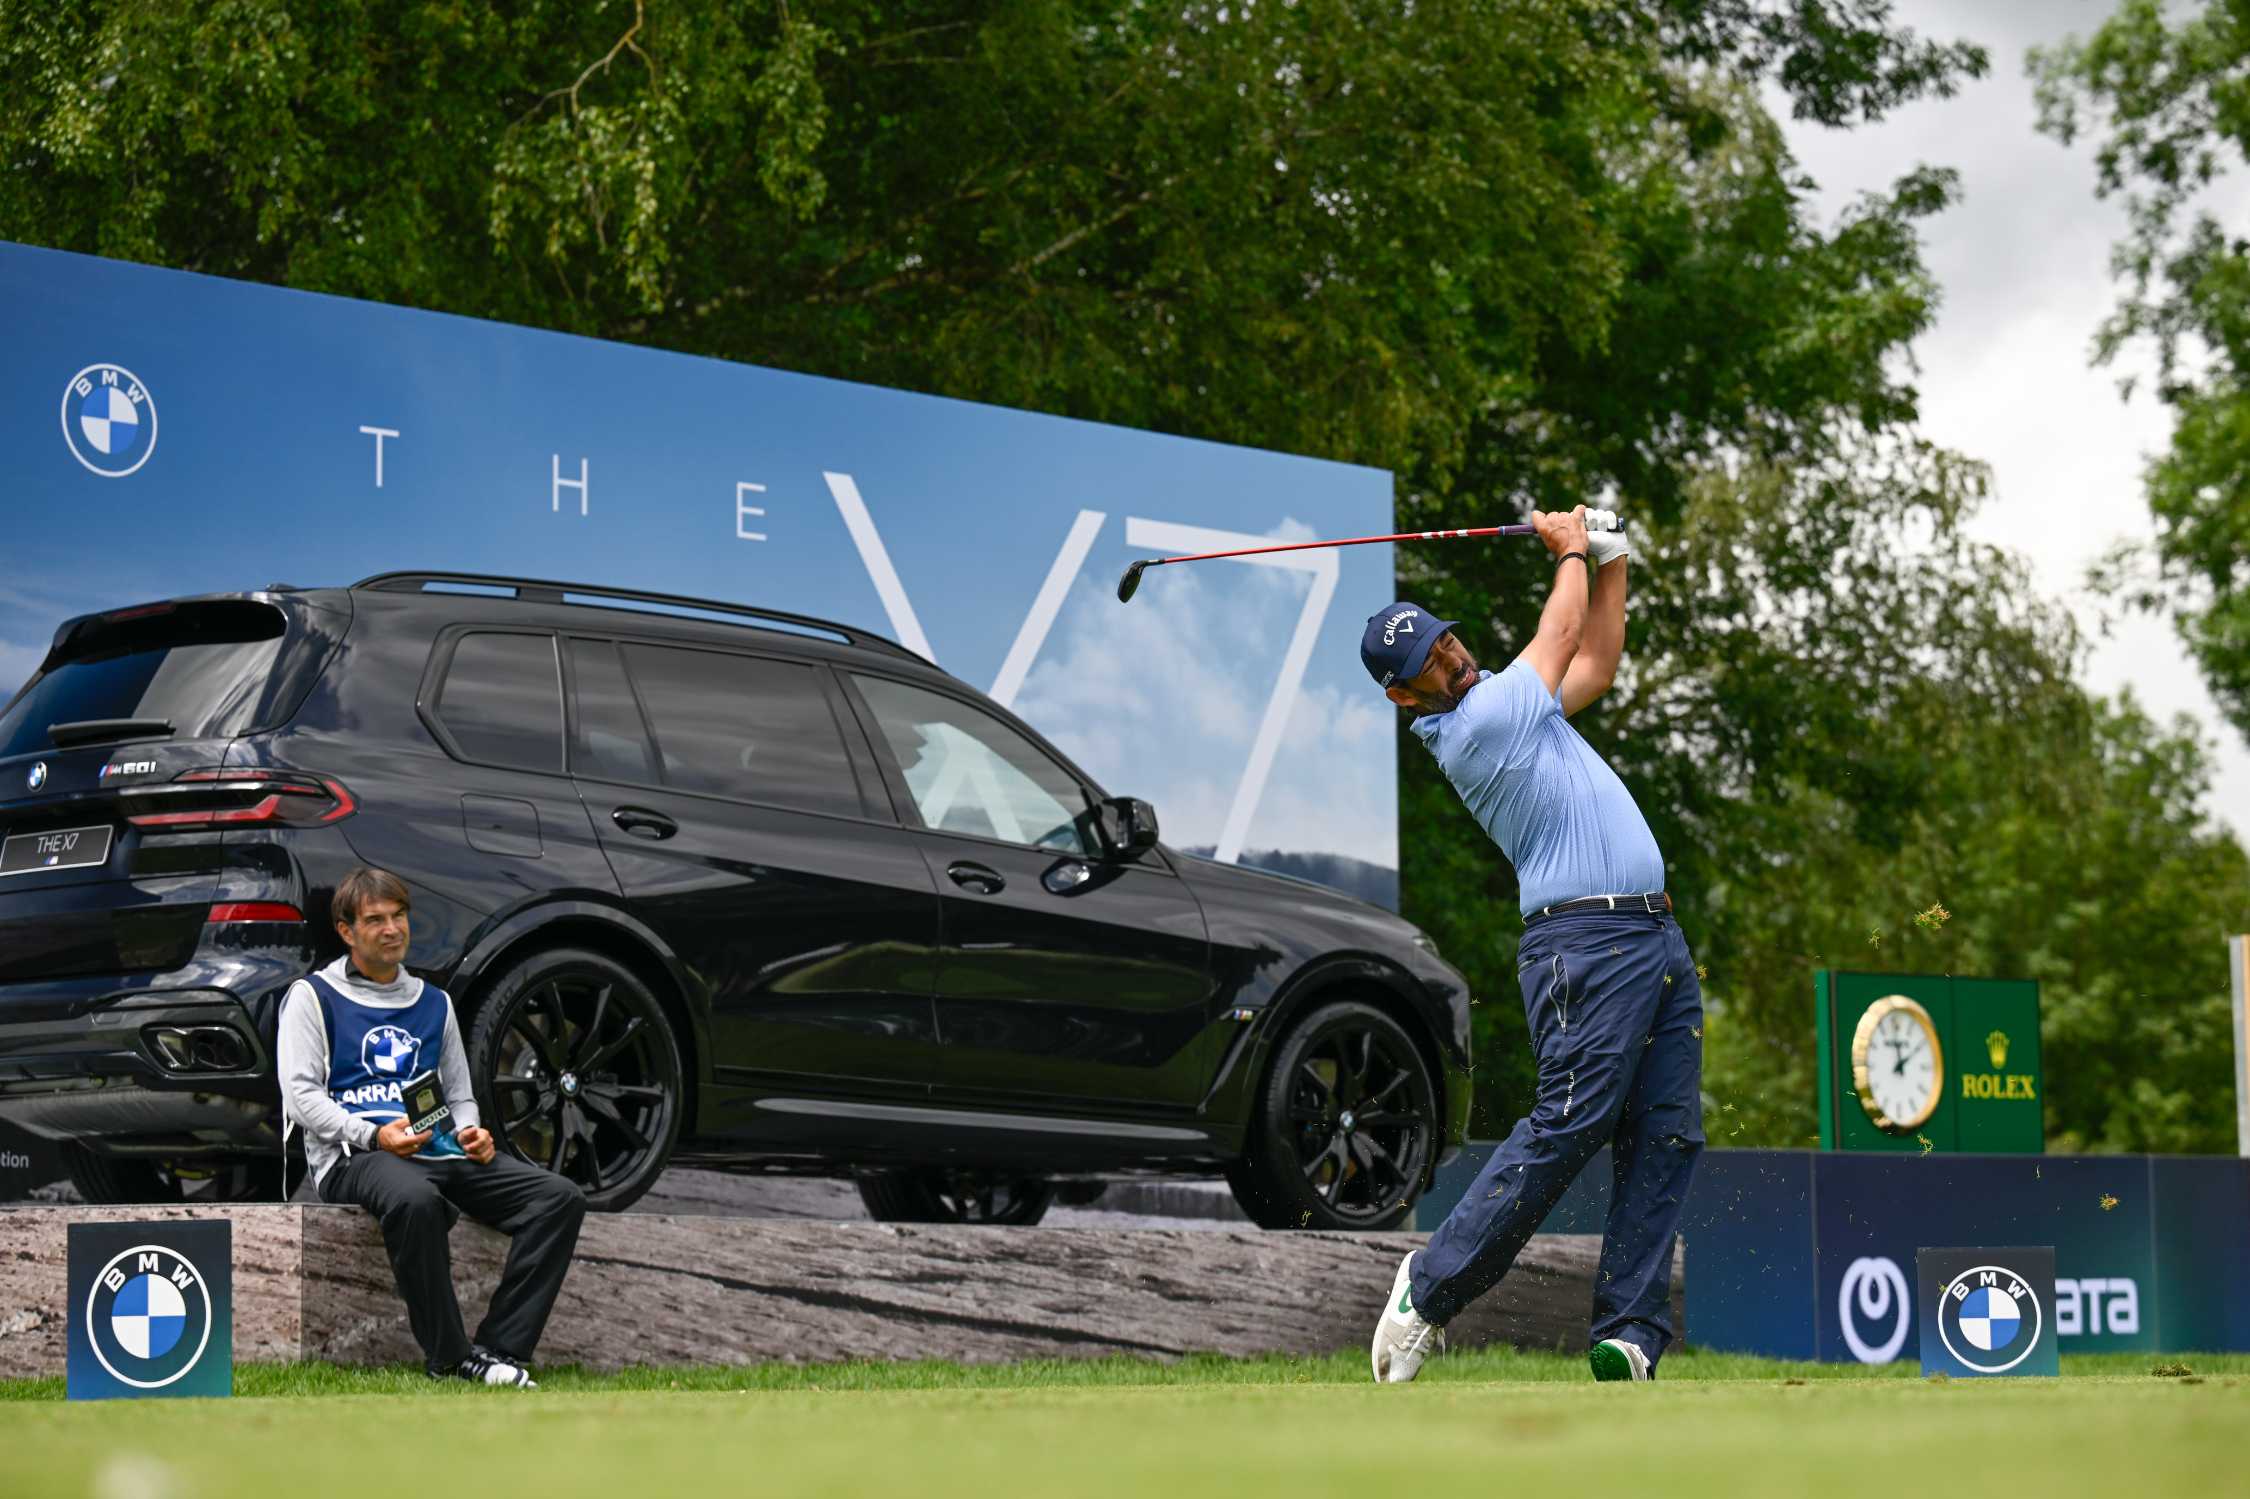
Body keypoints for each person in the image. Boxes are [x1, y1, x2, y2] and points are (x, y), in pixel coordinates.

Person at [1363, 505, 1702, 1384]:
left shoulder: (1520, 706)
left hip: (1653, 935)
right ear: (1404, 696)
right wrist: (1573, 545)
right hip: (1583, 945)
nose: (1448, 658)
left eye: (1444, 642)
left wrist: (1614, 557)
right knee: (1570, 1122)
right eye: (1425, 665)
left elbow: (1596, 657)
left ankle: (1628, 1331)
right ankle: (1428, 1289)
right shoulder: (1479, 727)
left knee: (1664, 1134)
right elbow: (1559, 630)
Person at [277, 866, 586, 1388]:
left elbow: (460, 1095)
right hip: (357, 1157)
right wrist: (376, 1135)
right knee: (415, 1198)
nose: (392, 929)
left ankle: (499, 1349)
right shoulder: (312, 997)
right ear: (347, 931)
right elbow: (300, 1096)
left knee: (559, 1197)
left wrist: (470, 1131)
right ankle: (450, 1358)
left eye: (399, 916)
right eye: (376, 920)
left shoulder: (433, 1002)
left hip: (441, 1151)